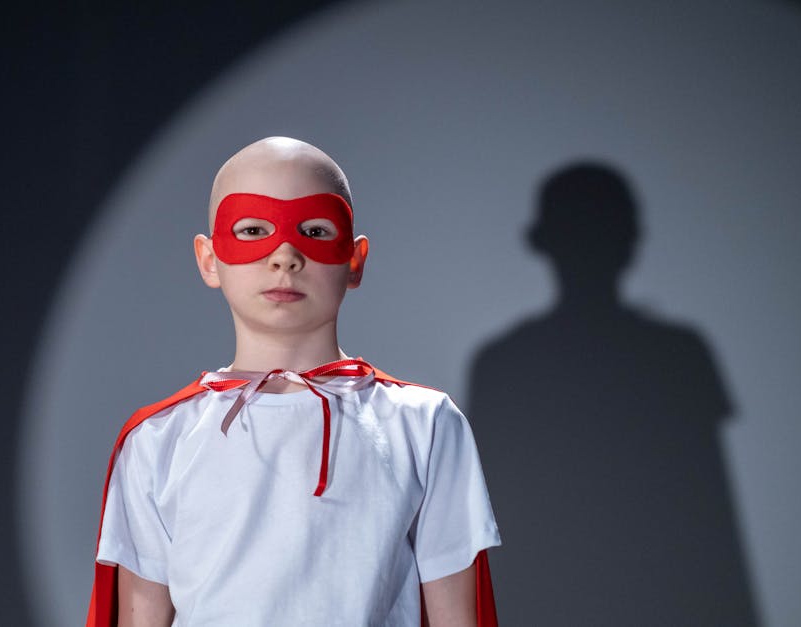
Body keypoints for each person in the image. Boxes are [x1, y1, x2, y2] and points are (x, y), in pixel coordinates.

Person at [86, 137, 500, 626]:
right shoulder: (157, 439)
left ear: (355, 259)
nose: (284, 255)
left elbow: (458, 617)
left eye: (315, 230)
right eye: (254, 228)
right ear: (209, 258)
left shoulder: (425, 425)